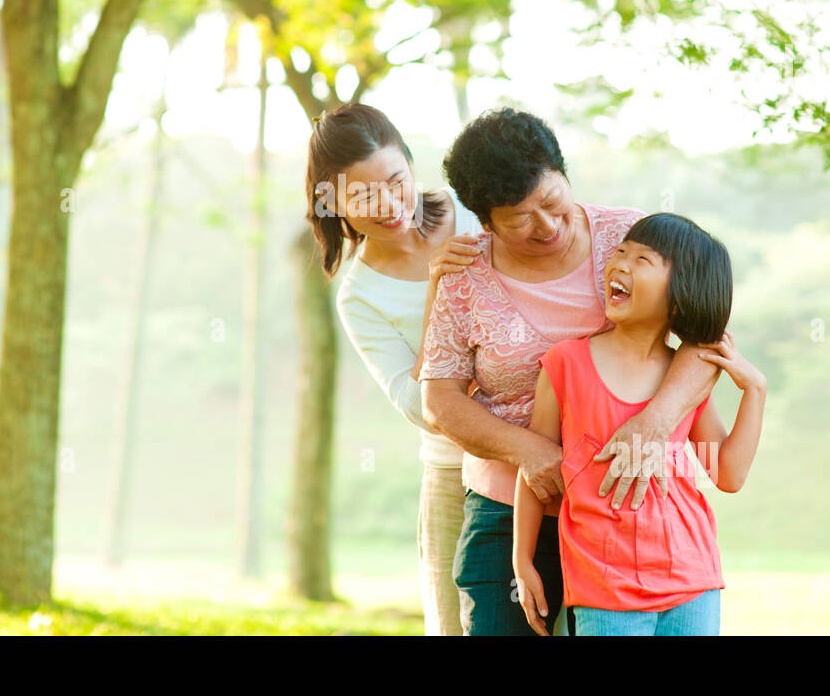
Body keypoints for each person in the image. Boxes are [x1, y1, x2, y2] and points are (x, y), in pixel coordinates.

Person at [420, 108, 721, 636]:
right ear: (484, 221)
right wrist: (531, 452)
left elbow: (707, 336)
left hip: (626, 510)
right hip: (509, 508)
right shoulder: (464, 274)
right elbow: (439, 399)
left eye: (553, 202)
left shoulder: (629, 237)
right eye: (520, 218)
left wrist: (654, 423)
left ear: (563, 174)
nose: (548, 225)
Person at [512, 213, 767, 636]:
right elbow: (535, 465)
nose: (619, 265)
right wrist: (522, 561)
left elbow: (729, 474)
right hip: (604, 589)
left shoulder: (687, 377)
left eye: (643, 259)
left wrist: (755, 390)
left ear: (681, 292)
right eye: (620, 252)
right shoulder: (566, 364)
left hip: (692, 581)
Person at [305, 102, 483, 636]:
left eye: (395, 180)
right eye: (361, 195)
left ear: (410, 162)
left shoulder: (475, 207)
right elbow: (417, 406)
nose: (387, 205)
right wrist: (436, 289)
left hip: (548, 452)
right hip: (456, 475)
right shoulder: (361, 295)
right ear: (333, 202)